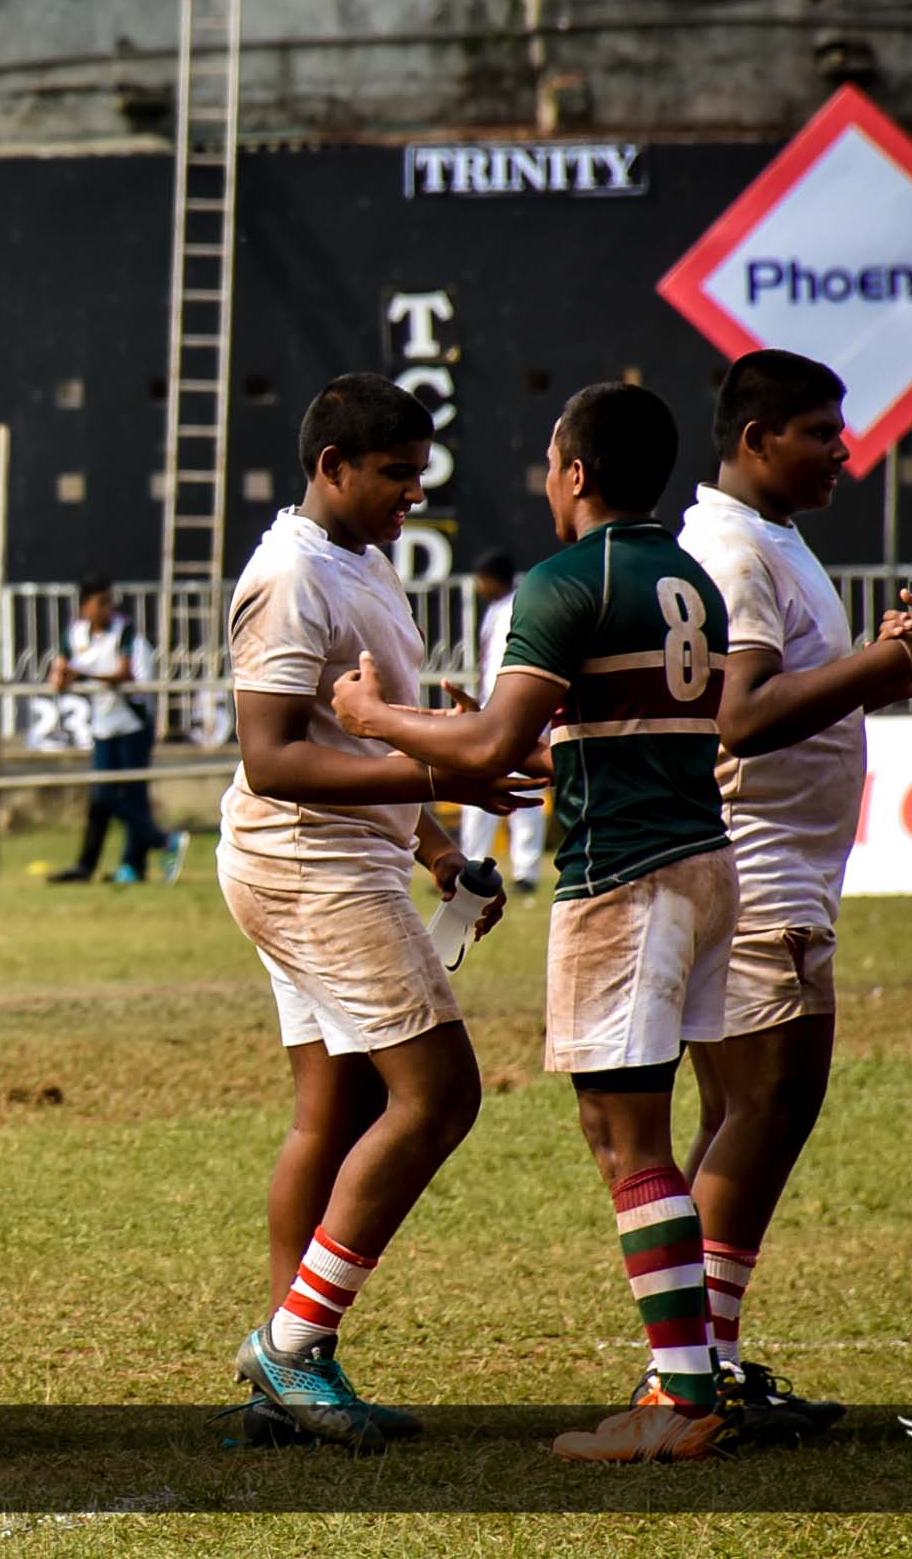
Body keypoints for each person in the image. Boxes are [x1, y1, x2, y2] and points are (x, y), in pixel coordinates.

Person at [332, 381, 740, 1464]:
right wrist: (488, 732)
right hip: (703, 862)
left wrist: (373, 715)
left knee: (628, 1141)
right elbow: (593, 733)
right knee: (631, 1131)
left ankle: (683, 1396)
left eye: (551, 460)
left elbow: (486, 750)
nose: (545, 479)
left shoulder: (567, 579)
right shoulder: (688, 575)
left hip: (626, 876)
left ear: (577, 471)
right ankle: (695, 1375)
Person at [223, 376, 525, 1450]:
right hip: (309, 867)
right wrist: (441, 776)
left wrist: (436, 845)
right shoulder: (289, 576)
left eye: (419, 473)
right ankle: (291, 1347)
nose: (413, 493)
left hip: (338, 858)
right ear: (331, 466)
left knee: (336, 1113)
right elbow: (272, 757)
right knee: (439, 1095)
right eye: (396, 473)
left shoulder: (363, 560)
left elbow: (360, 736)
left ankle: (286, 1375)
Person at [671, 351, 912, 1443]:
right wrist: (890, 663)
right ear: (755, 439)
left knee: (742, 1114)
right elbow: (741, 716)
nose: (844, 450)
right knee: (767, 1107)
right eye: (820, 433)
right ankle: (696, 1372)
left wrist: (884, 662)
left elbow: (785, 700)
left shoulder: (765, 538)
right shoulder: (737, 550)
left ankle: (698, 1360)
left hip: (772, 866)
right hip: (762, 872)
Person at [47, 575, 185, 885]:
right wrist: (62, 677)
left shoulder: (125, 632)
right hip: (104, 727)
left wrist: (81, 673)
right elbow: (60, 671)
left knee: (131, 797)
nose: (108, 608)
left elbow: (124, 673)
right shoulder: (74, 635)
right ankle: (87, 865)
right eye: (102, 603)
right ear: (85, 607)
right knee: (102, 798)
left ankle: (135, 865)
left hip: (132, 725)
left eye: (110, 602)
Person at [457, 552, 546, 891]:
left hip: (520, 709)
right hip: (491, 709)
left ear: (495, 579)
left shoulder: (522, 605)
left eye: (483, 580)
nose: (480, 587)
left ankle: (526, 871)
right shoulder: (496, 609)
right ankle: (470, 863)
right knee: (477, 785)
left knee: (526, 789)